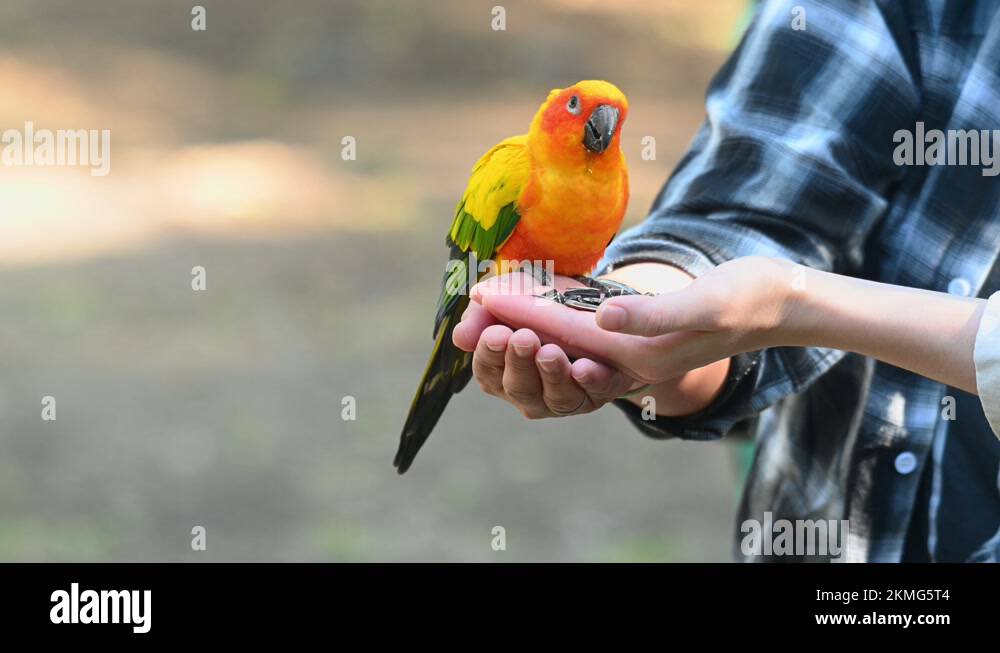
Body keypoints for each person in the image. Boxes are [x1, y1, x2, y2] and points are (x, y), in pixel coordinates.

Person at [453, 0, 1000, 562]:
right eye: (579, 106)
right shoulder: (517, 169)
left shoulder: (610, 182)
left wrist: (793, 303)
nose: (601, 123)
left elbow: (772, 295)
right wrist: (648, 305)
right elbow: (757, 198)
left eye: (613, 115)